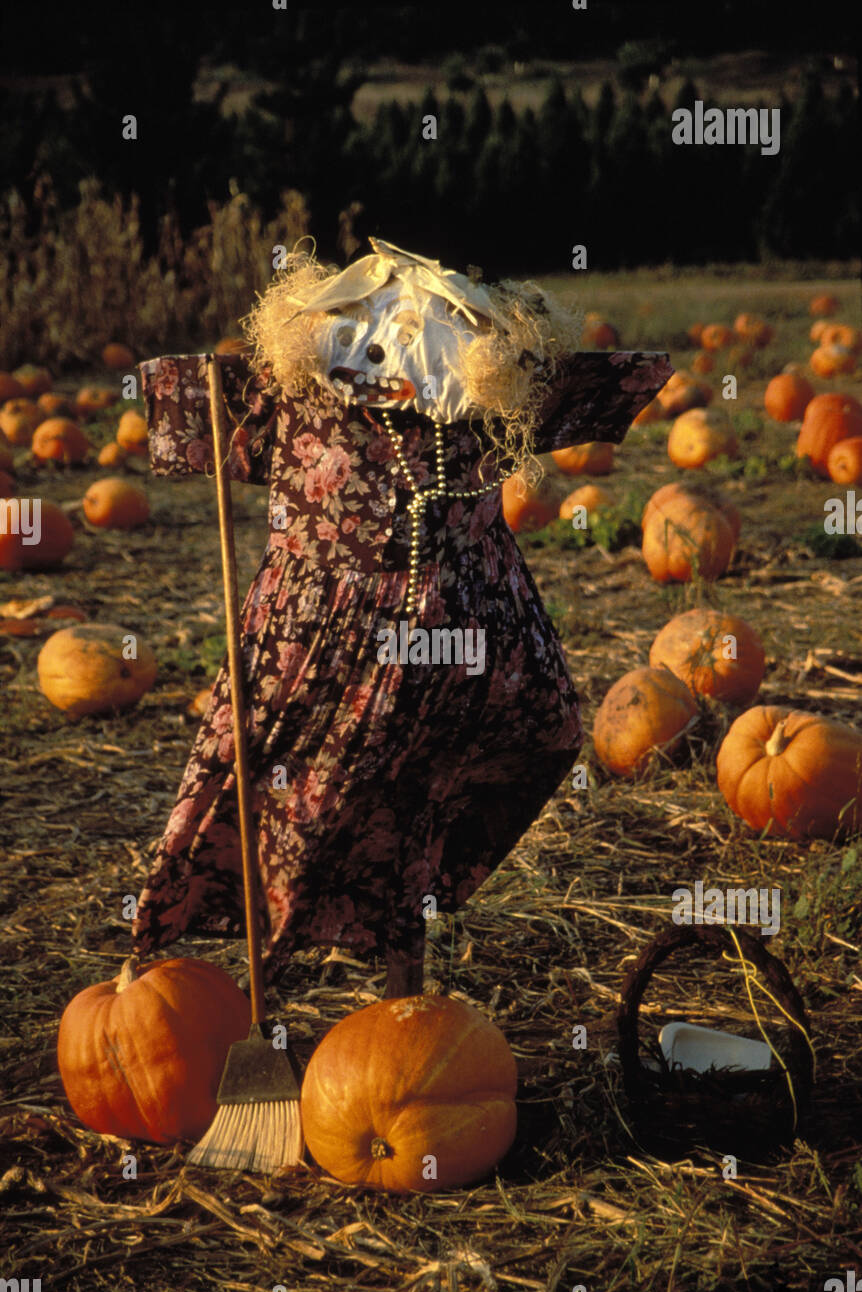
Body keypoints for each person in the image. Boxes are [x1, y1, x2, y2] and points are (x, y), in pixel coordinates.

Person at [130, 238, 671, 997]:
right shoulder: (288, 387)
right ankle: (265, 990)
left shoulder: (496, 387)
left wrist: (528, 341)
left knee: (428, 793)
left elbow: (615, 383)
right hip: (323, 643)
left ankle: (401, 978)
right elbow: (175, 408)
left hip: (472, 640)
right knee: (300, 803)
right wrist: (213, 393)